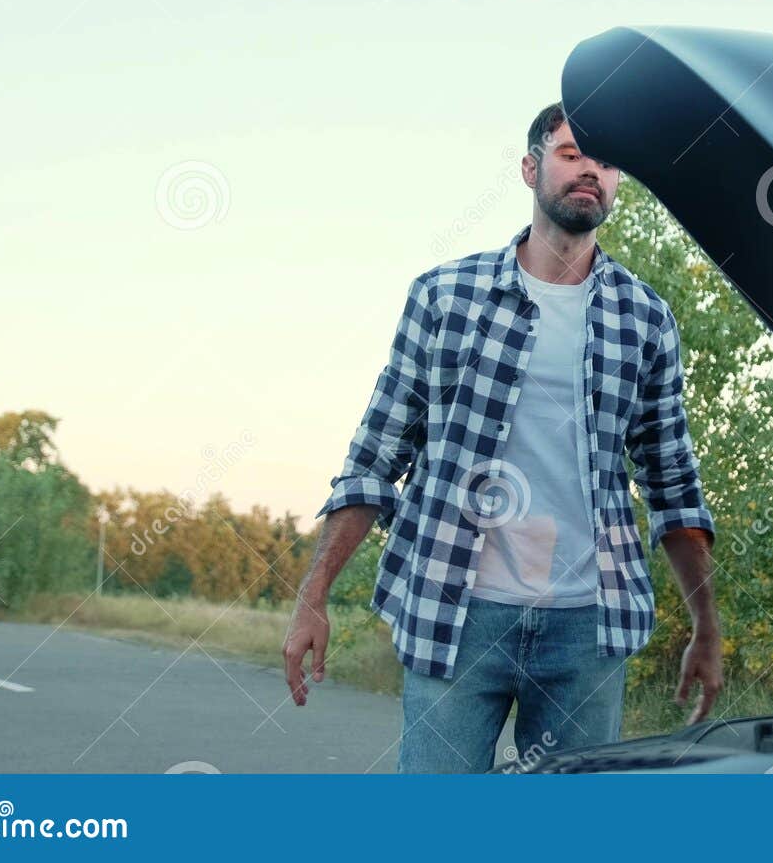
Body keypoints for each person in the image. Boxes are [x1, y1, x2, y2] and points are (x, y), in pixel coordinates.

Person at [282, 103, 721, 773]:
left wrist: (706, 627)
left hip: (588, 628)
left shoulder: (645, 319)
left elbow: (673, 485)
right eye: (573, 153)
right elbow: (375, 457)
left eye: (605, 163)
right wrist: (312, 597)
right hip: (455, 614)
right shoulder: (444, 297)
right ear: (530, 166)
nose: (590, 172)